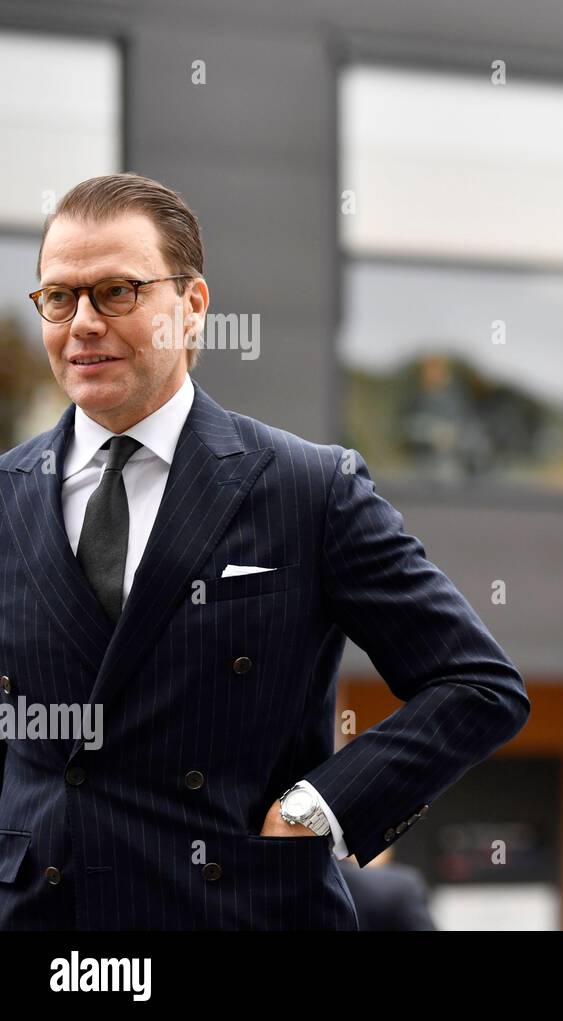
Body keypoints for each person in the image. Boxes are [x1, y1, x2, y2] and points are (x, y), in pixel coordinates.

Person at [0, 172, 530, 930]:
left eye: (116, 291)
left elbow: (478, 685)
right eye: (59, 296)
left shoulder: (309, 489)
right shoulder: (7, 495)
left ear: (192, 307)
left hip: (236, 910)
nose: (82, 322)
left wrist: (320, 809)